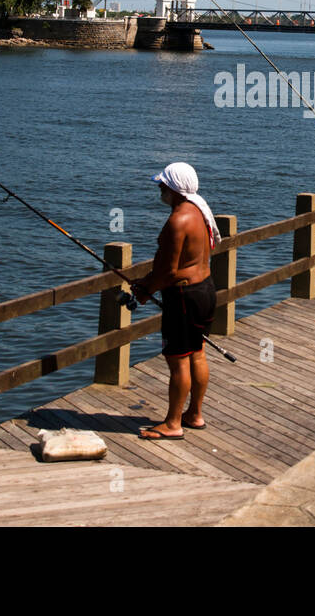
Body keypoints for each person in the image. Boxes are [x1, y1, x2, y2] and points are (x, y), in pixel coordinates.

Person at [131, 162, 220, 440]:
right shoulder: (200, 212)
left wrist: (145, 290)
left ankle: (172, 424)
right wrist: (149, 283)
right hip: (205, 290)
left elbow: (167, 271)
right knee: (197, 352)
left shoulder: (177, 221)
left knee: (178, 359)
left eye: (163, 185)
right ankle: (194, 414)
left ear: (174, 189)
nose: (160, 189)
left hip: (183, 297)